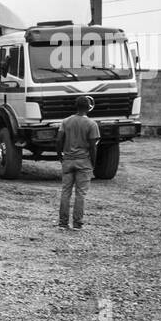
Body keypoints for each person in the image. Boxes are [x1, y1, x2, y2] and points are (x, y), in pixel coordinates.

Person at [56, 96, 100, 230]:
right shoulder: (92, 124)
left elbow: (59, 140)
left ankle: (63, 223)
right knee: (81, 194)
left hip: (68, 161)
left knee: (65, 192)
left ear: (76, 106)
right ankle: (77, 223)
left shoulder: (66, 121)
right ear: (88, 107)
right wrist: (93, 163)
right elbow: (93, 146)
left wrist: (60, 156)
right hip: (84, 162)